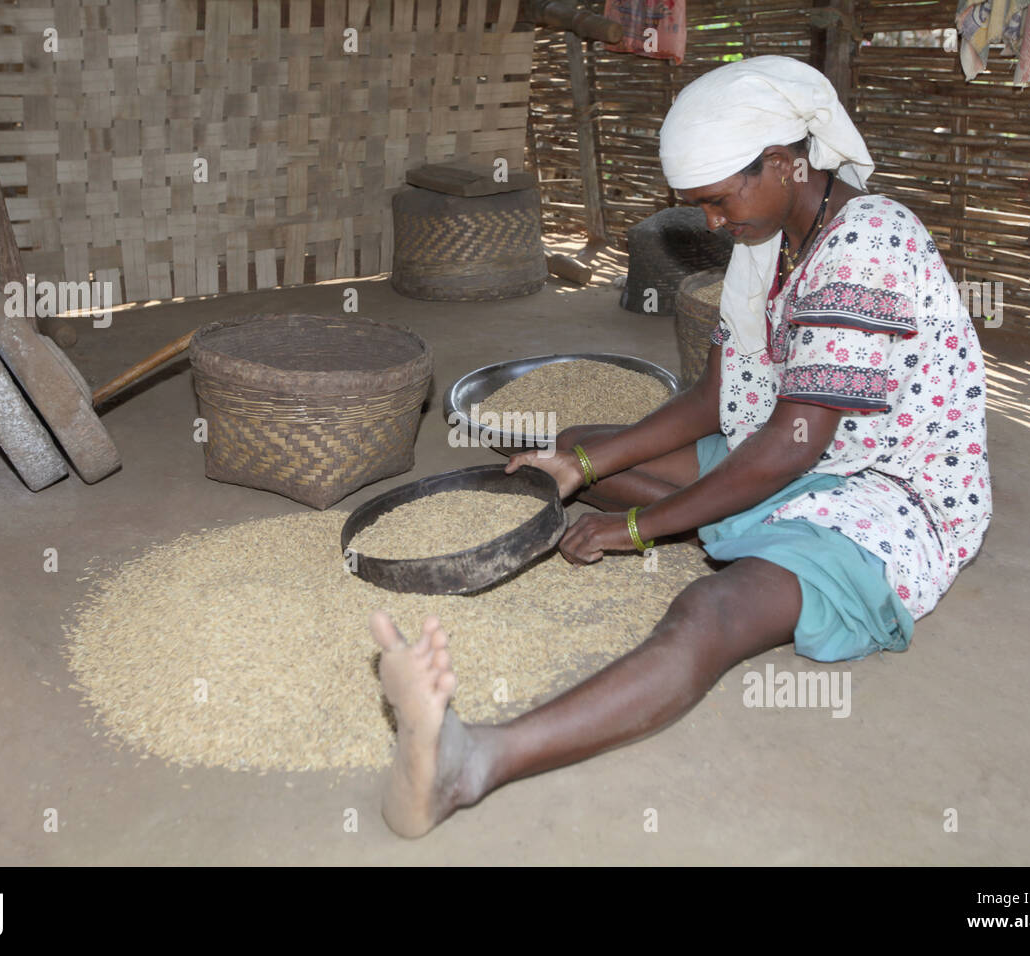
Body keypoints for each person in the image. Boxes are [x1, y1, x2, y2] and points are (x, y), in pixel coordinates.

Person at [367, 55, 992, 838]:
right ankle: (727, 523)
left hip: (888, 493)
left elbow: (790, 448)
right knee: (581, 444)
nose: (712, 224)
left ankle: (473, 764)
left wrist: (635, 532)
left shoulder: (866, 245)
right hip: (806, 458)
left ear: (779, 163)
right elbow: (714, 399)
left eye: (718, 201)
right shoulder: (775, 242)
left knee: (708, 611)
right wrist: (581, 465)